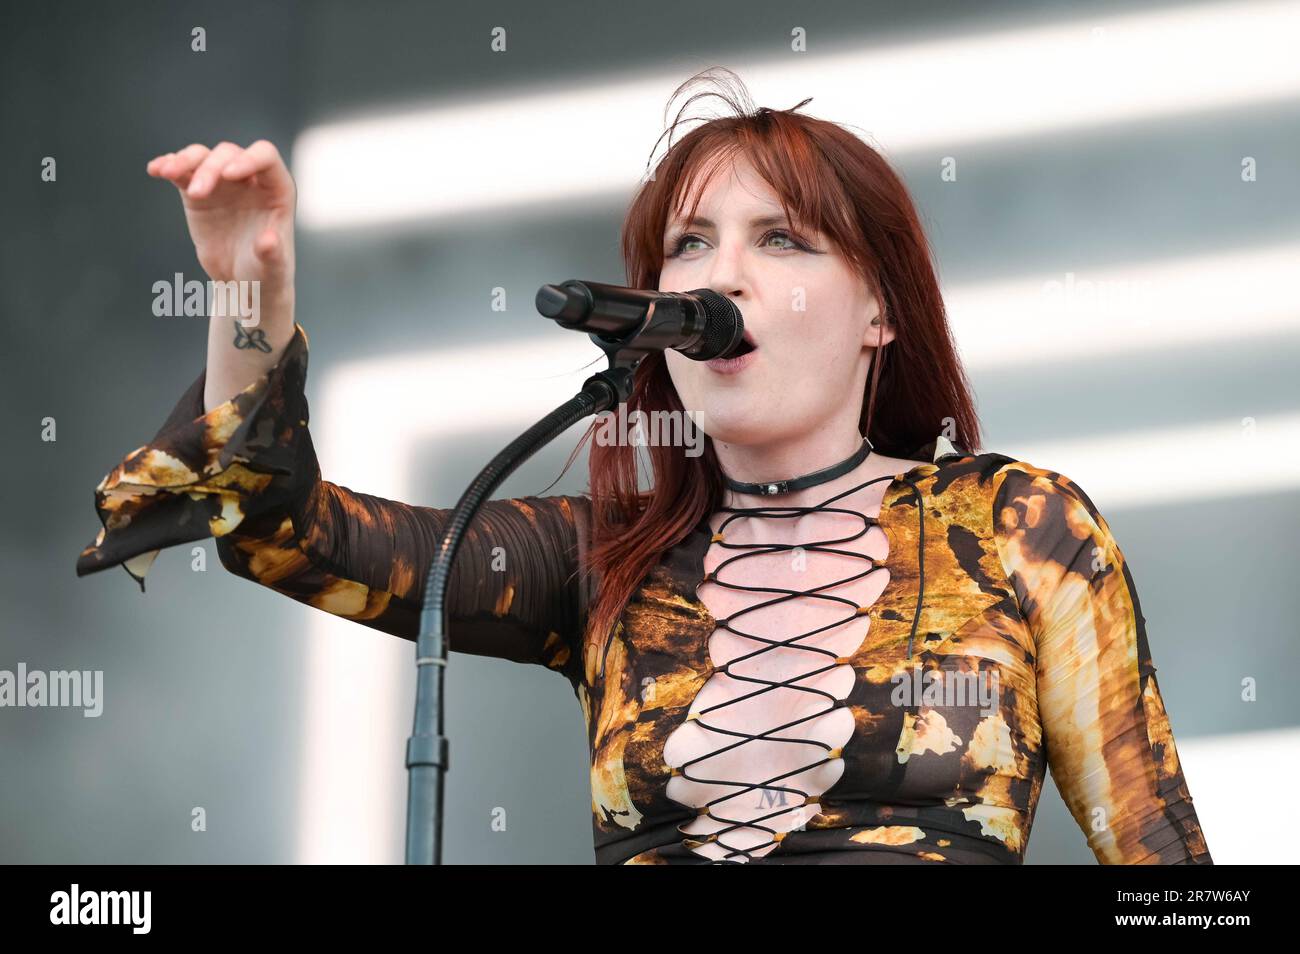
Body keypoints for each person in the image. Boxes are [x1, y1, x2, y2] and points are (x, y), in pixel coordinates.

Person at [76, 69, 1212, 865]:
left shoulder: (1015, 523)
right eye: (688, 245)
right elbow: (285, 532)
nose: (719, 281)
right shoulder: (607, 556)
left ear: (878, 310)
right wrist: (245, 296)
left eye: (781, 240)